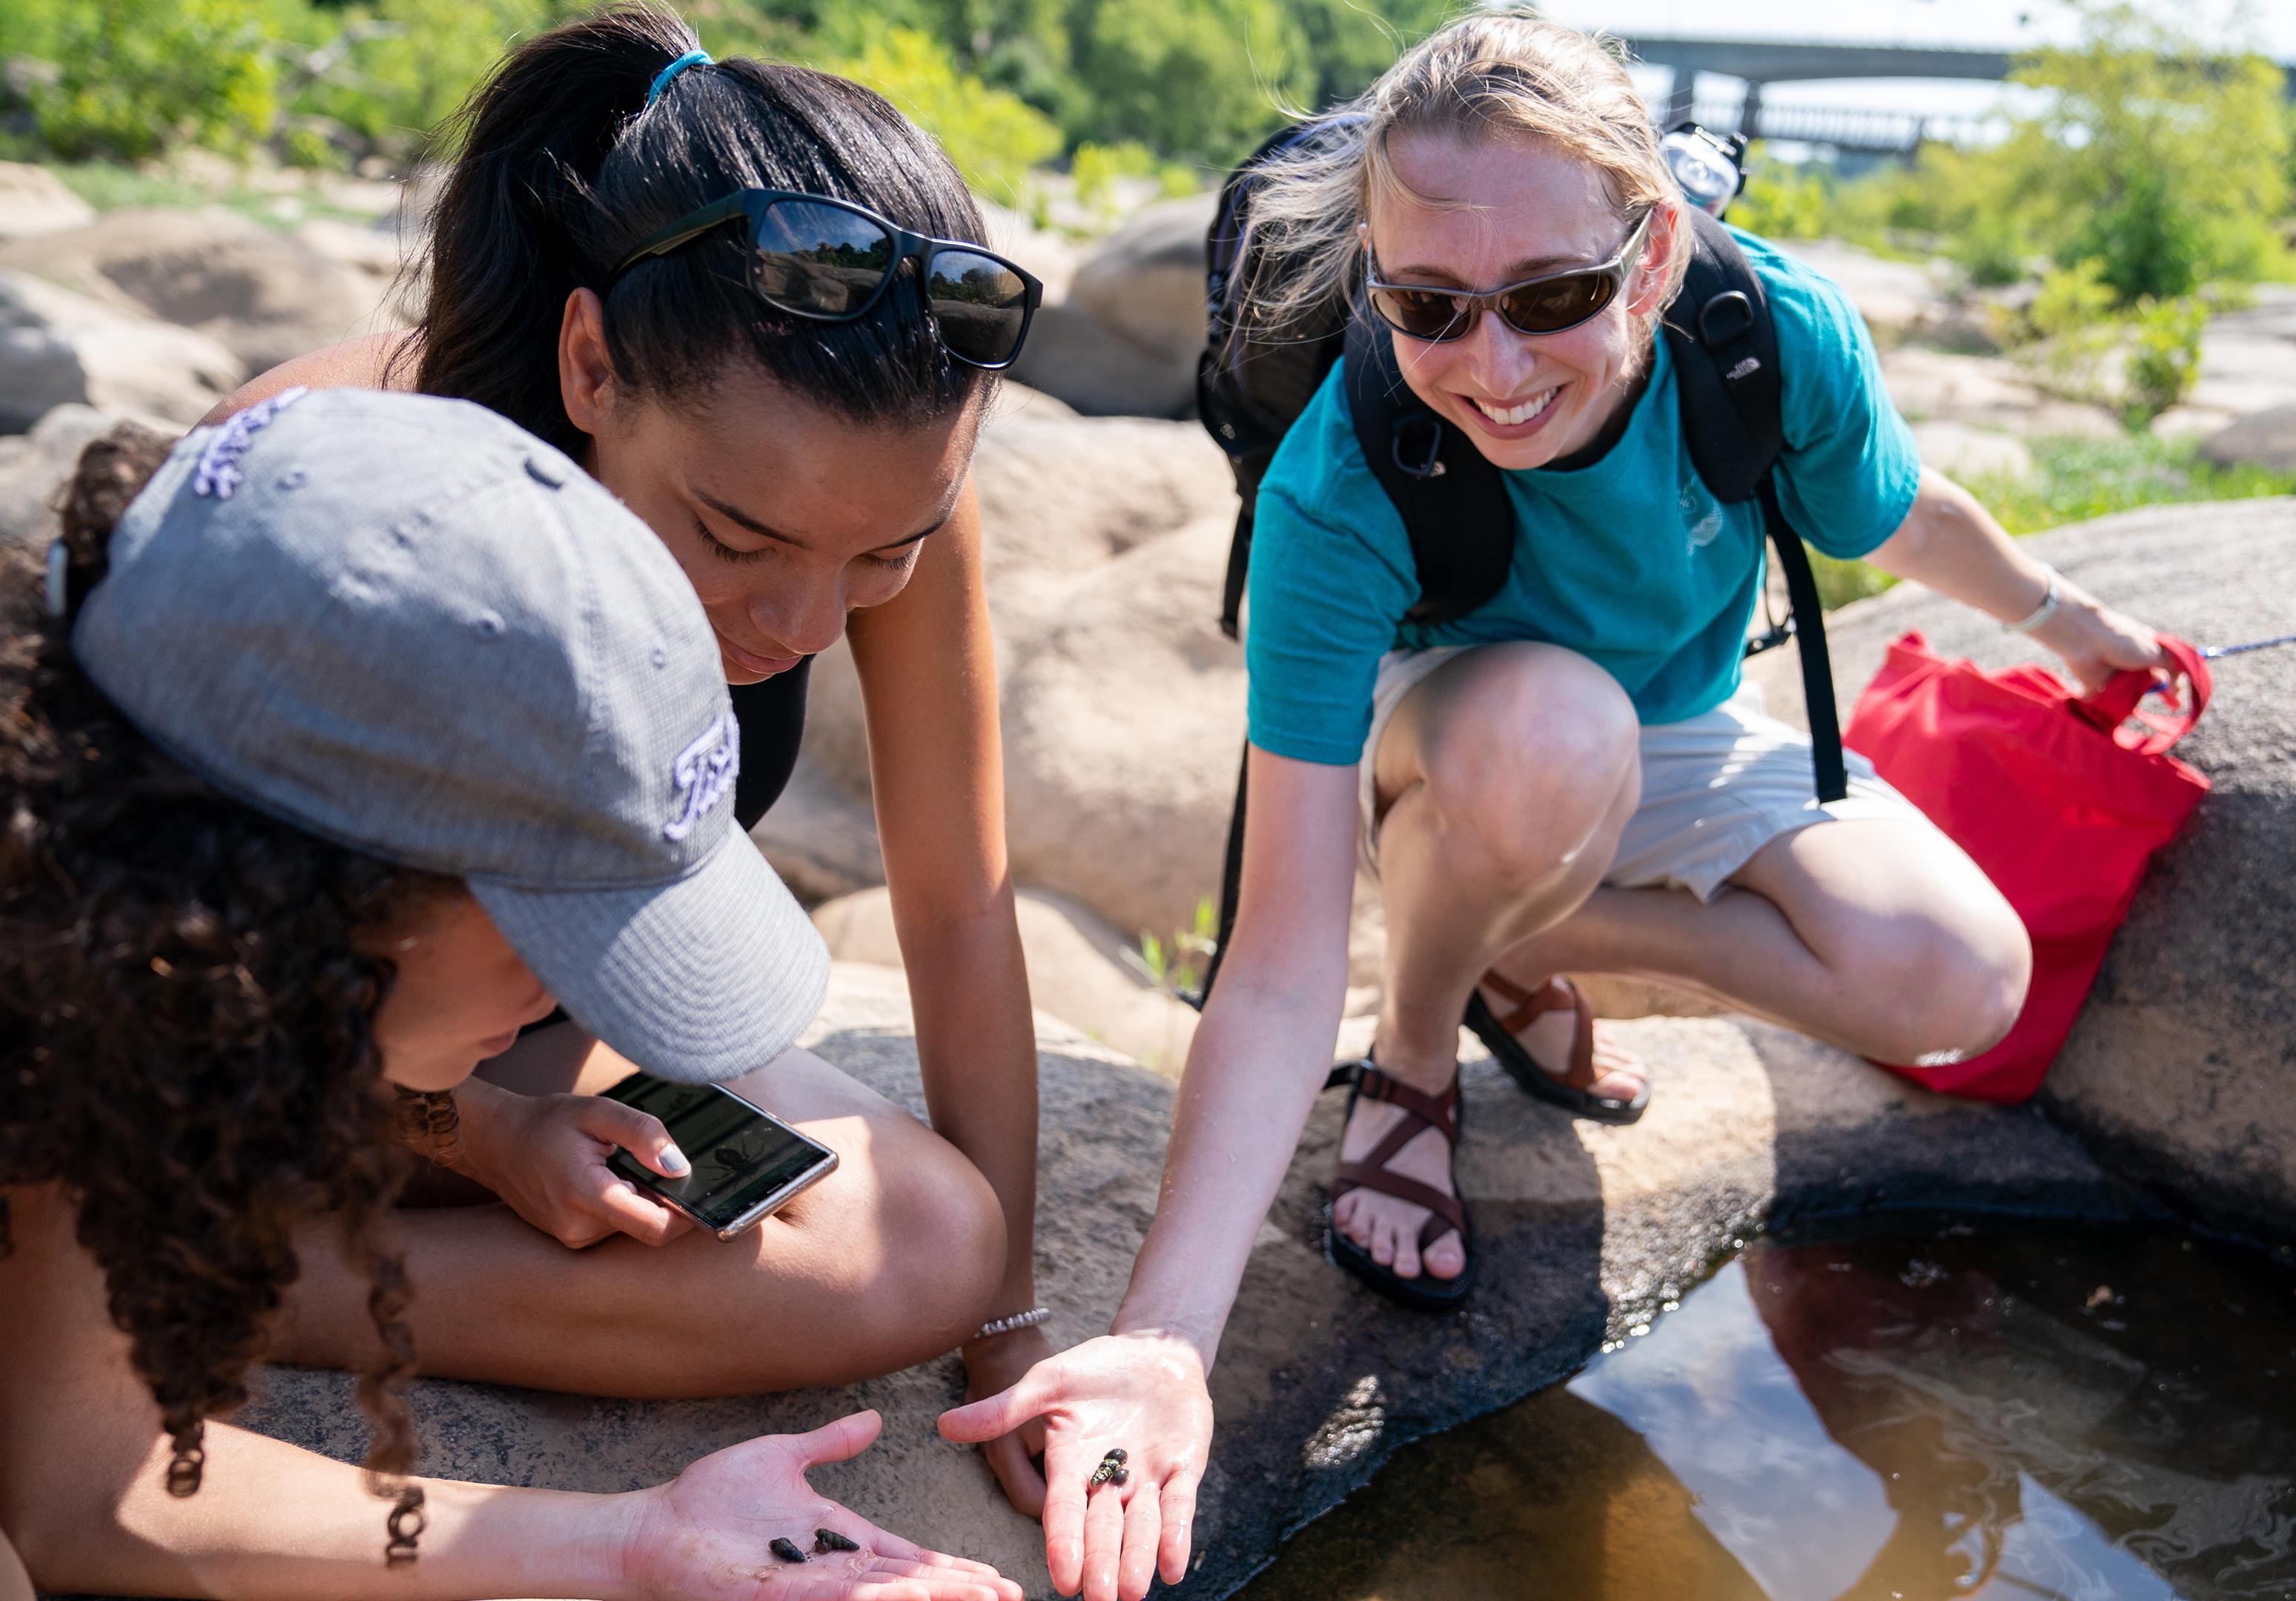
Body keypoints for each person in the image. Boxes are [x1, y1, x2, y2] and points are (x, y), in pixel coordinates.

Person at [936, 16, 2172, 1599]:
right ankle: (1424, 1043)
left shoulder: (1767, 335)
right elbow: (1273, 956)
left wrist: (2071, 620)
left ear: (1651, 257)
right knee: (1549, 728)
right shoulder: (1350, 473)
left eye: (1557, 297)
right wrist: (1166, 1339)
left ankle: (1520, 935)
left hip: (1681, 729)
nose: (1496, 367)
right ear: (1376, 283)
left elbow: (1904, 510)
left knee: (1957, 982)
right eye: (1430, 307)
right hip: (1465, 739)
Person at [205, 5, 1059, 1501]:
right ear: (592, 366)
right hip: (231, 1050)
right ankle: (209, 1278)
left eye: (880, 556)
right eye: (737, 537)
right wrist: (485, 1141)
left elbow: (954, 902)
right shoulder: (364, 505)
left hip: (517, 1020)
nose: (800, 622)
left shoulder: (880, 486)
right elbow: (175, 964)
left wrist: (1009, 1331)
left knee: (930, 1241)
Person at [0, 393, 1021, 1601]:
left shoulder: (109, 941)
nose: (581, 1001)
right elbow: (72, 1499)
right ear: (339, 877)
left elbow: (88, 1480)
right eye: (560, 928)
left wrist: (642, 1540)